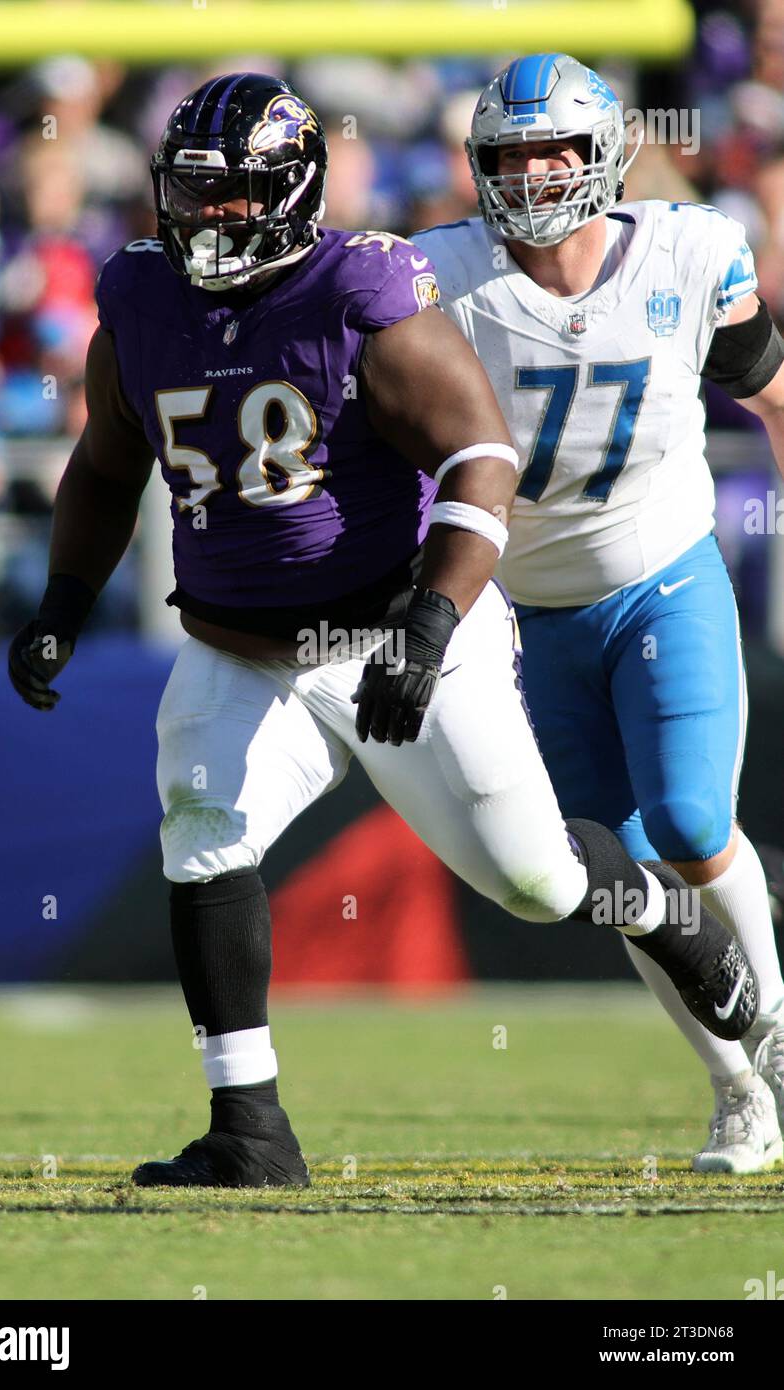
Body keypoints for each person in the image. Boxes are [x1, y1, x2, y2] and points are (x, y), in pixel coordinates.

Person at [9, 73, 757, 1188]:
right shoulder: (140, 299)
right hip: (235, 646)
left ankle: (654, 904)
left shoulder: (356, 289)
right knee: (203, 824)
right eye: (195, 192)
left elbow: (479, 460)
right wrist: (64, 603)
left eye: (239, 193)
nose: (211, 217)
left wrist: (429, 619)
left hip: (394, 634)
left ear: (296, 189)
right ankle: (250, 1129)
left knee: (538, 883)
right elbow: (106, 463)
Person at [413, 52, 784, 1174]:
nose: (531, 175)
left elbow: (767, 393)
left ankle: (771, 1023)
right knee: (615, 878)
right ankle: (734, 1093)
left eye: (553, 150)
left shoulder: (686, 250)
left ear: (602, 153)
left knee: (683, 823)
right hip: (531, 613)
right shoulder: (442, 279)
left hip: (663, 574)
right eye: (510, 154)